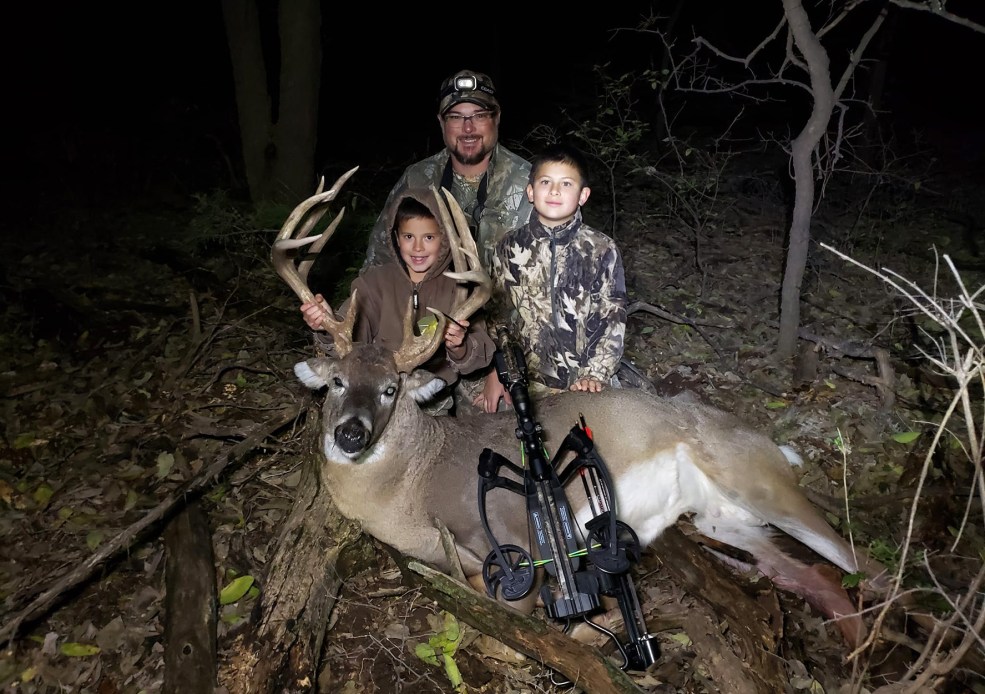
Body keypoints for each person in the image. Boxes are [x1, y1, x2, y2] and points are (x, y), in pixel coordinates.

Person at [300, 187, 495, 414]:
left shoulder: (459, 289)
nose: (418, 247)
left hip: (430, 392)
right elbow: (349, 334)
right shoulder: (375, 282)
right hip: (374, 391)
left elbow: (480, 351)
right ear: (396, 238)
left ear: (445, 241)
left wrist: (459, 345)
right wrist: (326, 322)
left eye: (429, 237)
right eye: (409, 237)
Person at [475, 143, 628, 413]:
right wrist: (502, 373)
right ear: (531, 192)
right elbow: (498, 319)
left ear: (583, 195)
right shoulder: (508, 247)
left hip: (585, 381)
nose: (555, 191)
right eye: (546, 182)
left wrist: (595, 374)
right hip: (526, 383)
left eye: (567, 184)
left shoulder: (602, 249)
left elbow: (612, 318)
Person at [362, 69, 533, 273]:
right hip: (431, 304)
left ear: (496, 118)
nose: (468, 128)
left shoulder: (531, 183)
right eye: (455, 117)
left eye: (479, 116)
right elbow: (379, 263)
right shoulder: (417, 179)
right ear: (441, 122)